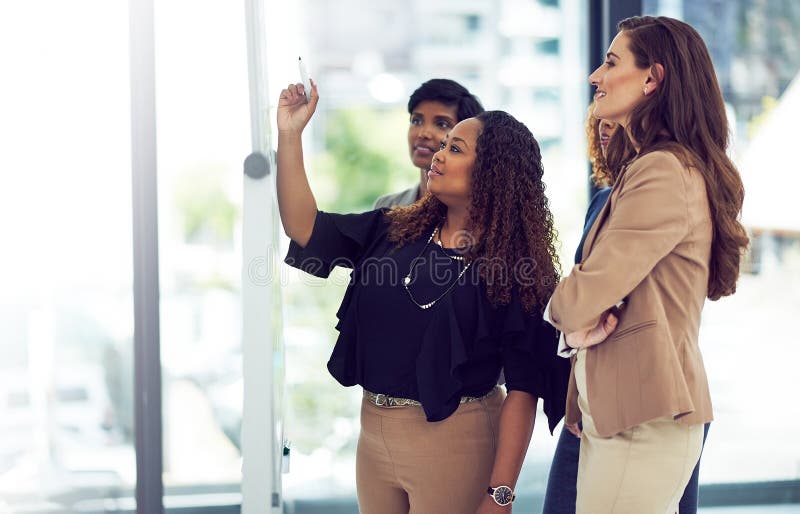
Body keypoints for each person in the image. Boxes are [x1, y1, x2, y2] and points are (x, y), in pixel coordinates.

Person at [277, 79, 570, 514]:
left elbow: (523, 391)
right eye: (443, 144)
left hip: (457, 441)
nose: (437, 152)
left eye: (455, 148)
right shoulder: (394, 228)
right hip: (374, 434)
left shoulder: (514, 272)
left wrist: (501, 493)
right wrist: (289, 135)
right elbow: (305, 228)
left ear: (491, 172)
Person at [544, 15, 748, 514]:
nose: (596, 76)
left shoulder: (662, 169)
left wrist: (568, 317)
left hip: (640, 423)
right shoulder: (652, 167)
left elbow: (580, 299)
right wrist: (575, 326)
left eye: (611, 62)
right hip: (620, 417)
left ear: (653, 78)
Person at [542, 108, 710, 514]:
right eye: (598, 124)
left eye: (614, 125)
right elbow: (589, 304)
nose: (605, 132)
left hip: (649, 400)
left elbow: (585, 298)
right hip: (594, 400)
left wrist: (570, 308)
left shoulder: (666, 181)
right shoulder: (603, 202)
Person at [374, 78, 484, 209]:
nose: (423, 133)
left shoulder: (475, 214)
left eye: (442, 124)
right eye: (416, 121)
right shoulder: (386, 207)